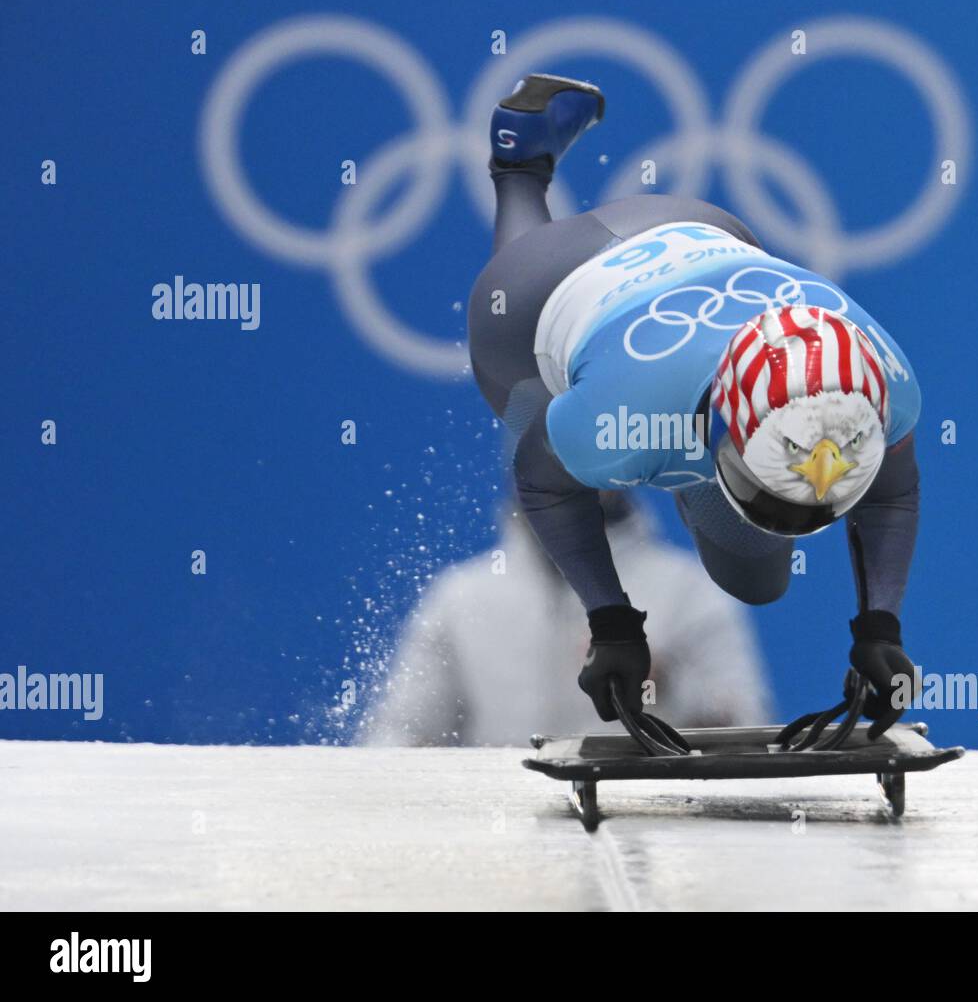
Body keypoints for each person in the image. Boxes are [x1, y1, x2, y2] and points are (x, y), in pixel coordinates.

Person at [469, 75, 921, 734]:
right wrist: (612, 622)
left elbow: (891, 494)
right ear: (717, 428)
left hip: (699, 225)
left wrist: (881, 628)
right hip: (549, 277)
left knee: (756, 575)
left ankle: (521, 162)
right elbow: (542, 487)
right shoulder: (619, 420)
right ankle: (518, 164)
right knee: (517, 353)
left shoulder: (887, 385)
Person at [361, 492, 770, 746]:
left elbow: (749, 731)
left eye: (579, 448)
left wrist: (668, 686)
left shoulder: (686, 589)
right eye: (545, 447)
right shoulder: (462, 596)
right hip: (500, 853)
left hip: (644, 845)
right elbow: (401, 734)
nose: (561, 468)